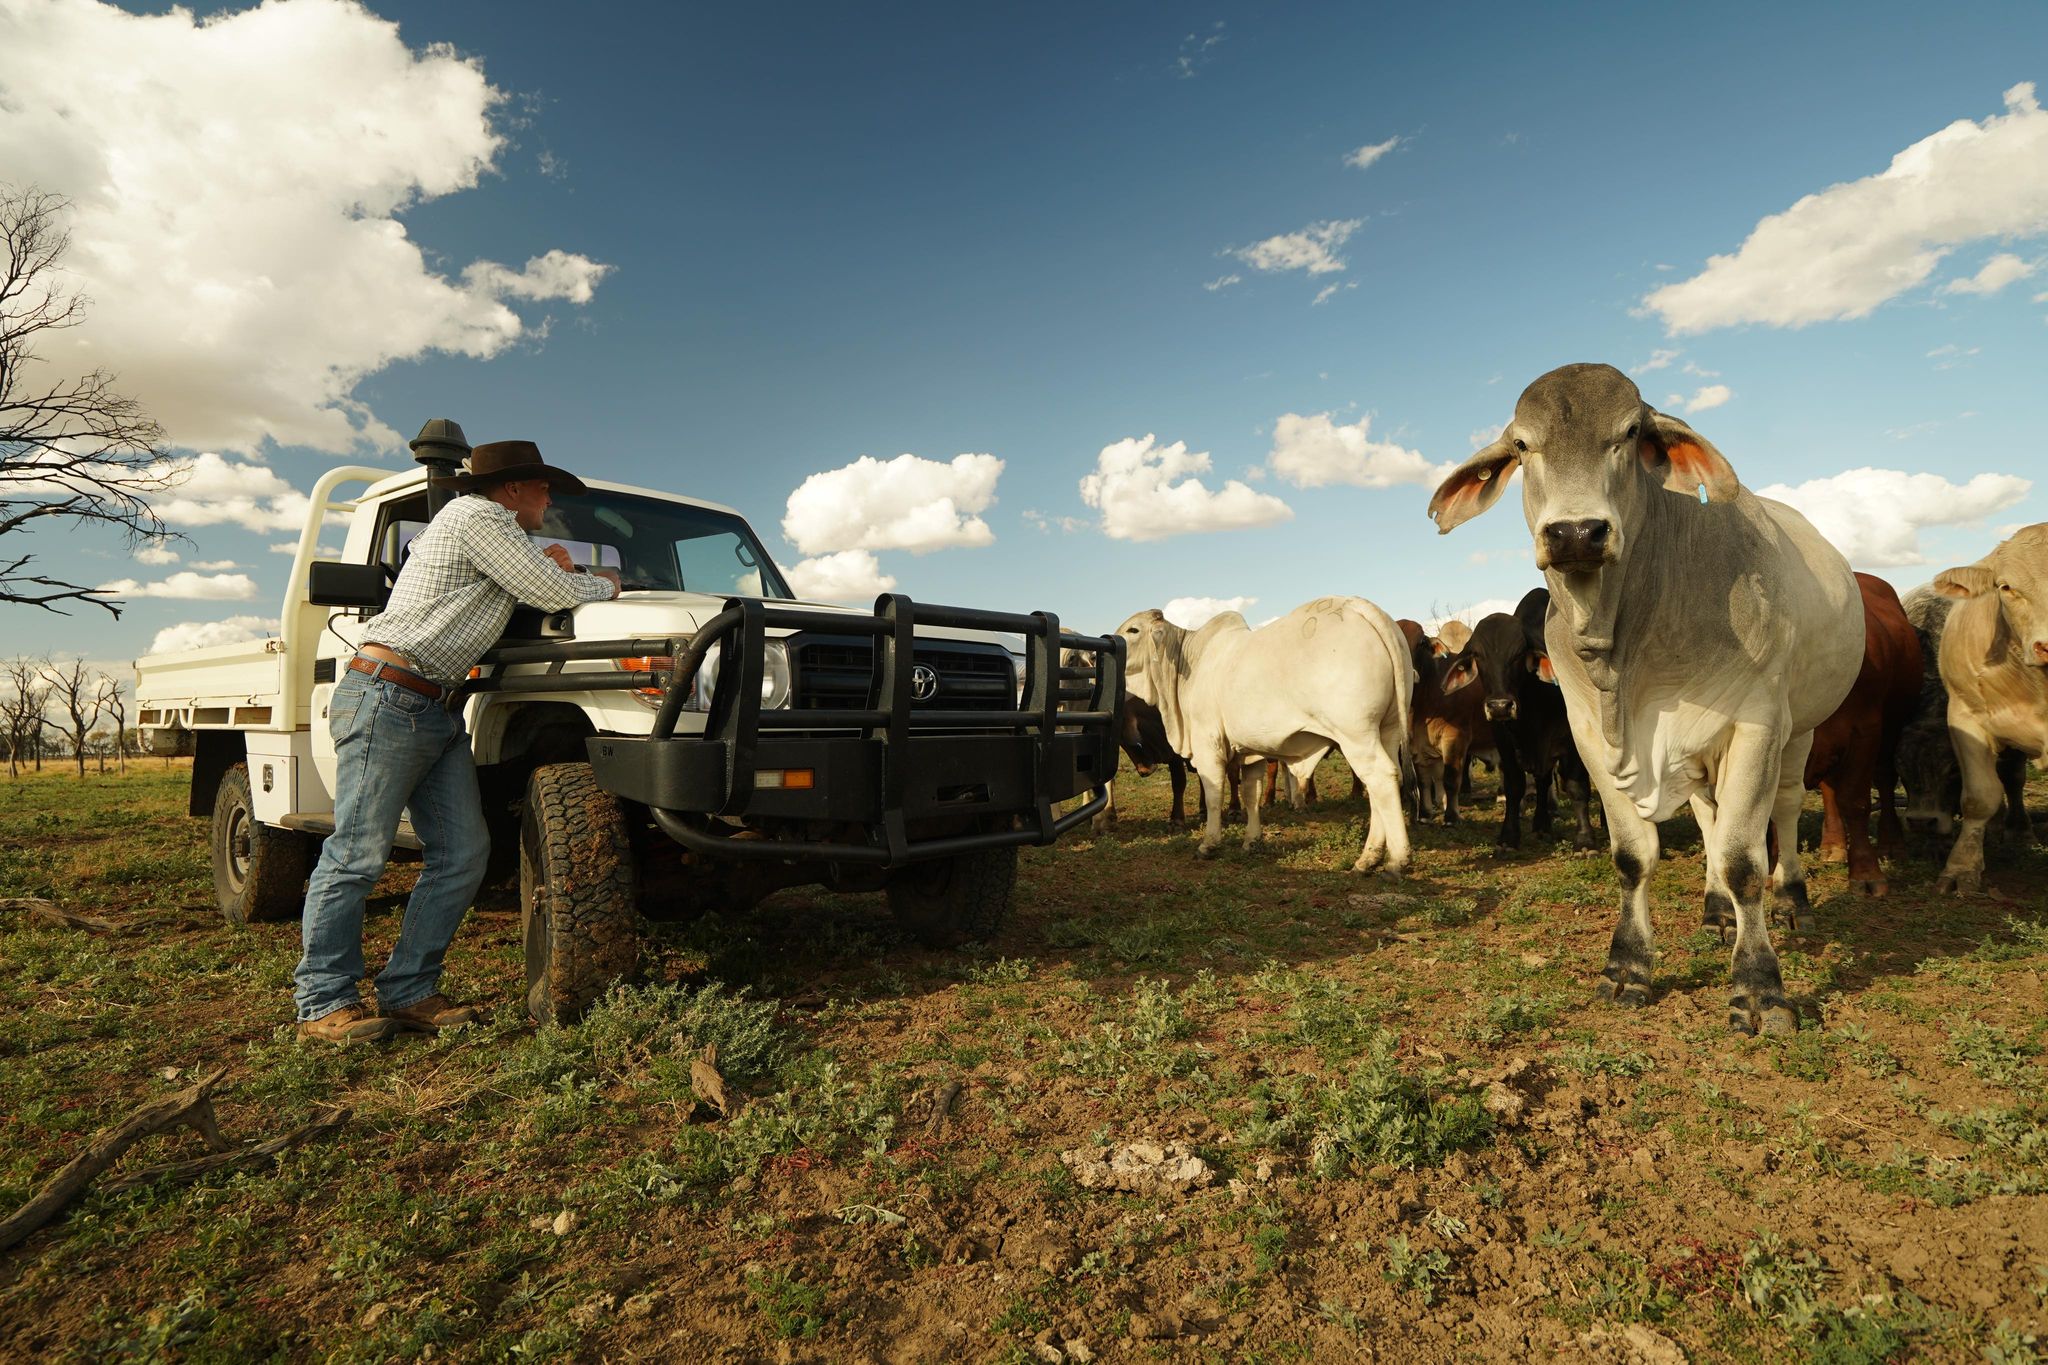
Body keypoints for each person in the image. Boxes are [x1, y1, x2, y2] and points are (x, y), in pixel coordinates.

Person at [293, 440, 621, 1044]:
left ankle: (408, 991)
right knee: (358, 854)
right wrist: (602, 584)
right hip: (389, 695)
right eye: (543, 487)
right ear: (513, 488)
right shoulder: (477, 517)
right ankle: (322, 1003)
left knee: (464, 854)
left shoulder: (498, 534)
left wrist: (550, 567)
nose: (549, 498)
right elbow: (550, 593)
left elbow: (535, 578)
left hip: (434, 706)